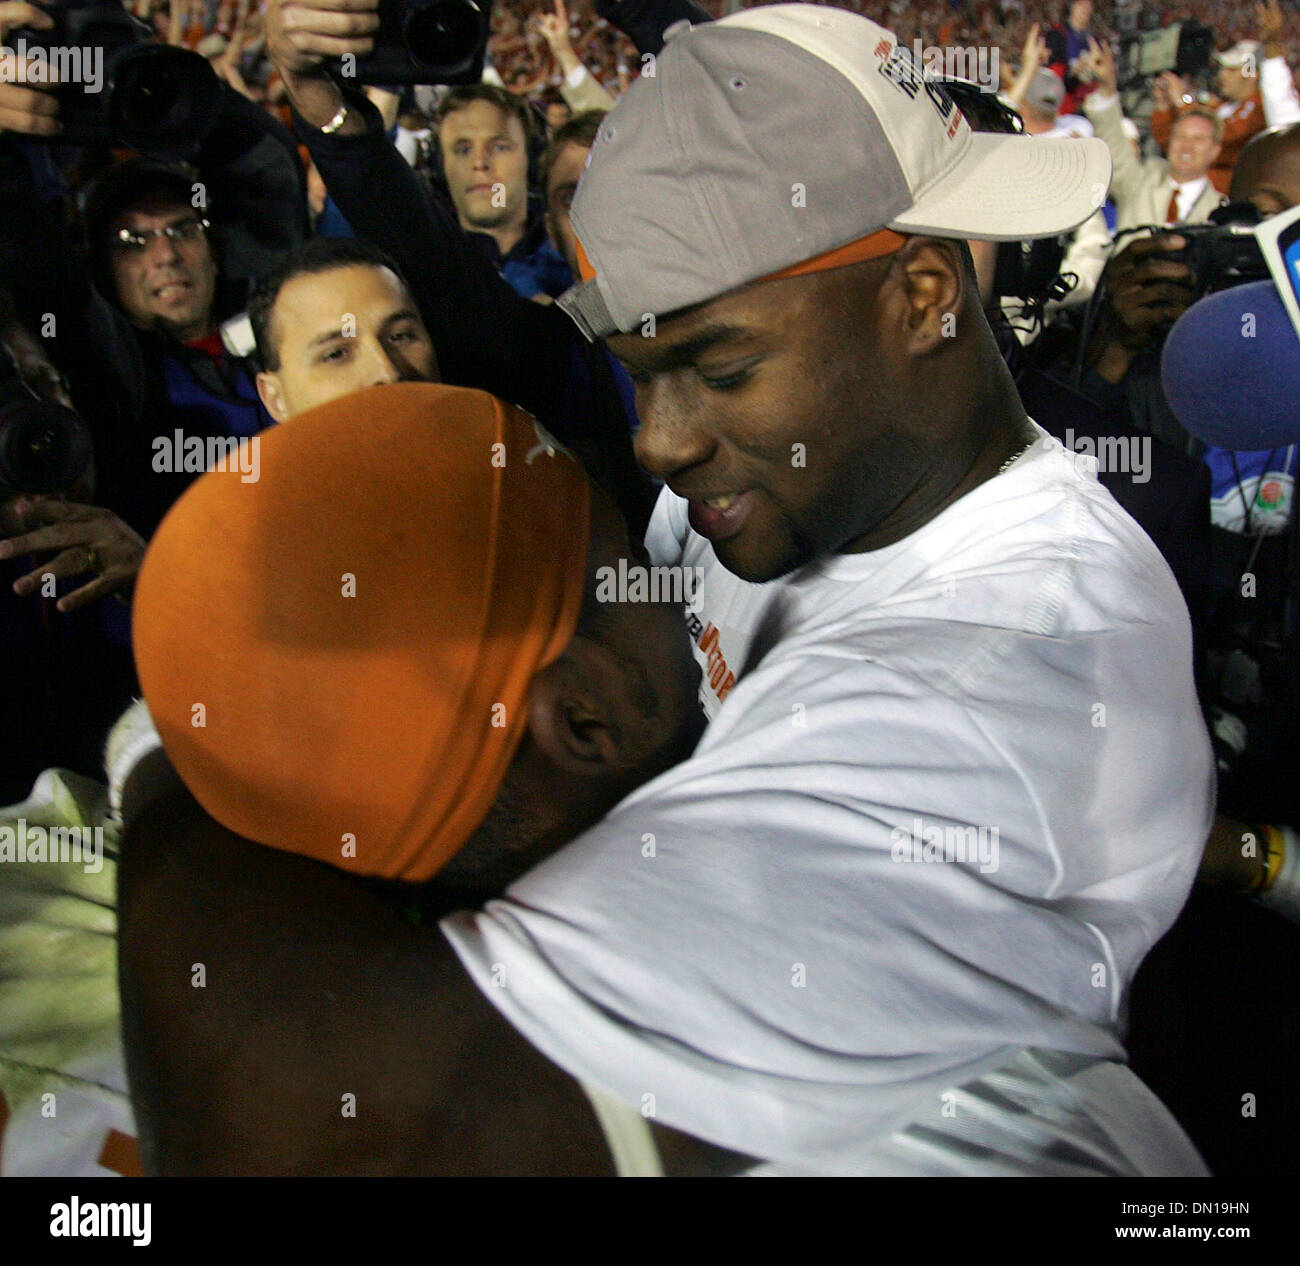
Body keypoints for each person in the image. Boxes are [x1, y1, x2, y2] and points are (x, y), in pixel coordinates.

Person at [119, 7, 1213, 1176]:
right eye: (641, 378)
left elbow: (333, 1138)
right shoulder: (790, 487)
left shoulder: (1008, 676)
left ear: (925, 293)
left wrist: (181, 717)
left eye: (719, 367)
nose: (659, 444)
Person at [433, 85, 570, 301]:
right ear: (442, 169)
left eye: (499, 147)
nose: (479, 163)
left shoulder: (577, 258)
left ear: (531, 159)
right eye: (463, 150)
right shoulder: (422, 270)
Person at [1084, 39, 1226, 232]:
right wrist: (1108, 87)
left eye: (1198, 139)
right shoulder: (1139, 181)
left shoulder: (1219, 211)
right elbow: (1114, 146)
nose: (1187, 146)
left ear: (1215, 151)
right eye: (1180, 137)